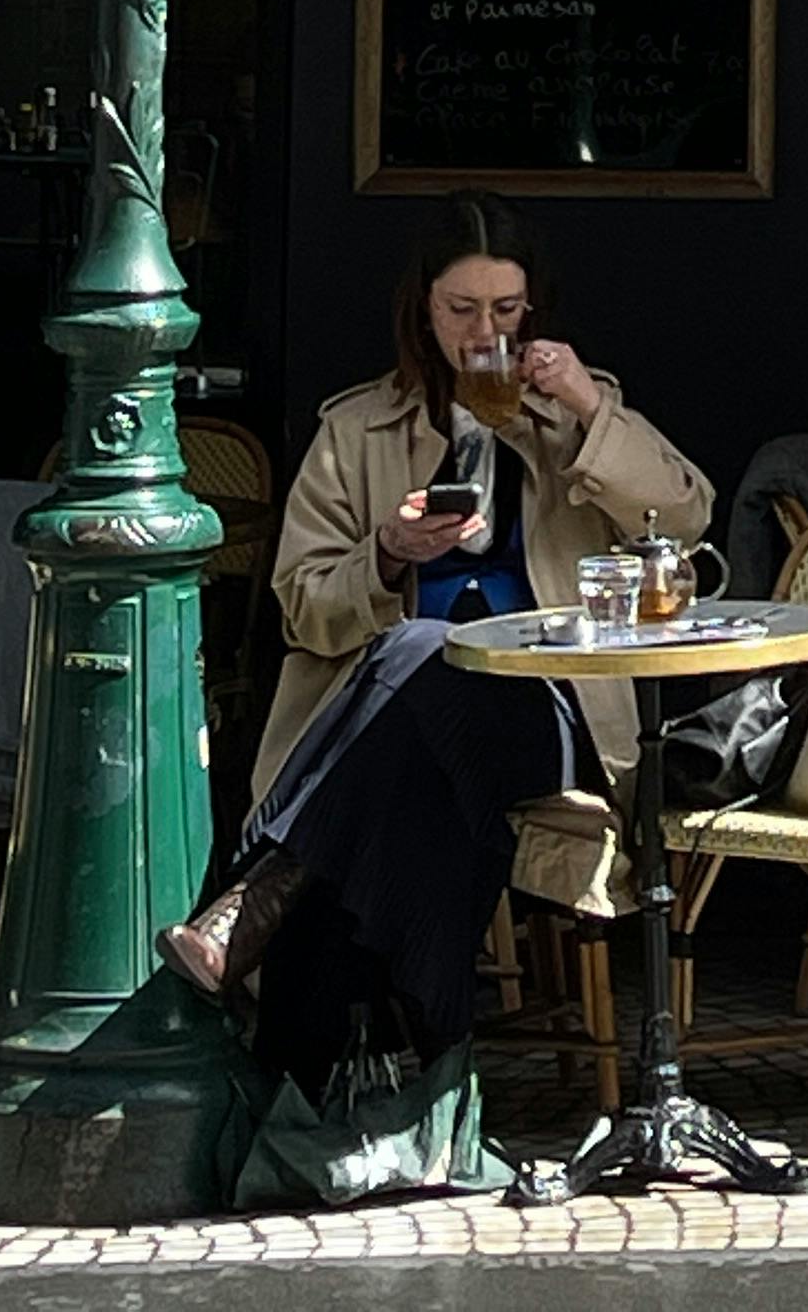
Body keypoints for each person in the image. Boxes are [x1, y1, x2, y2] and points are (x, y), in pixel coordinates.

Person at [161, 192, 714, 1101]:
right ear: (422, 309)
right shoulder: (357, 430)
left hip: (548, 713)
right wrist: (384, 555)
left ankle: (264, 895)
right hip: (398, 728)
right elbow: (301, 606)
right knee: (418, 712)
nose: (482, 331)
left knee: (416, 654)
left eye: (505, 310)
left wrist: (581, 406)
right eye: (462, 310)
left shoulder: (578, 416)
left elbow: (684, 517)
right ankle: (418, 1082)